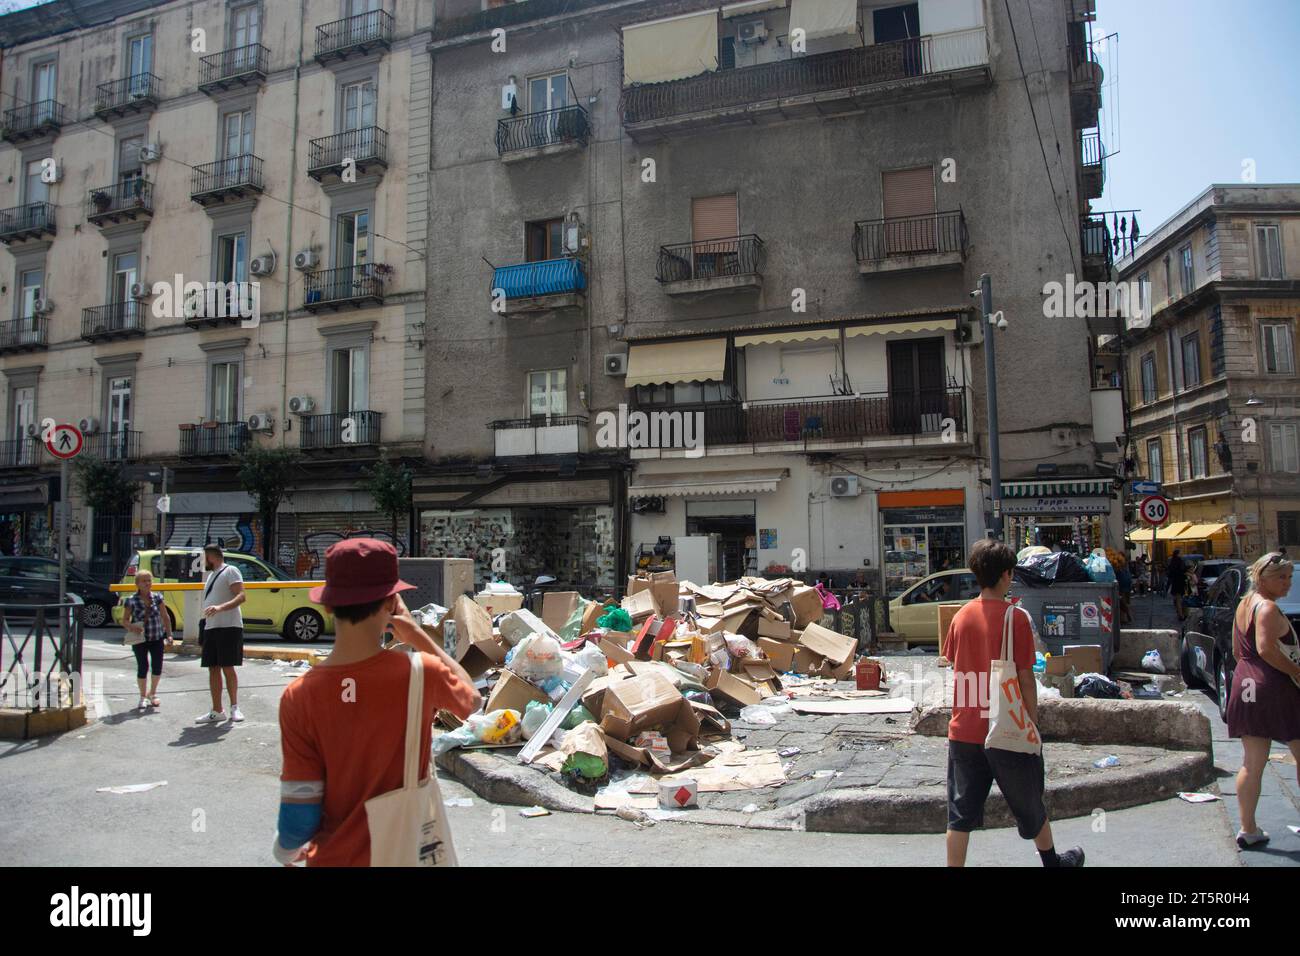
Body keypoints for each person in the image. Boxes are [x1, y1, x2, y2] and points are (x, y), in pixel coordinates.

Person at [274, 538, 480, 867]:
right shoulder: (420, 673)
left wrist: (284, 851)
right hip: (406, 854)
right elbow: (472, 700)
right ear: (390, 604)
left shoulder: (299, 696)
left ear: (328, 605)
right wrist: (416, 635)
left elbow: (300, 813)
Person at [944, 537, 1085, 868]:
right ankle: (1052, 862)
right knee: (1030, 803)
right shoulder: (1016, 618)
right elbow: (1025, 678)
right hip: (1006, 727)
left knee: (959, 813)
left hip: (964, 728)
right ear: (1007, 575)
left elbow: (955, 665)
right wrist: (1032, 722)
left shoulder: (960, 617)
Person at [1225, 552, 1300, 850]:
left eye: (1290, 577)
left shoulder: (1244, 605)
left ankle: (1248, 828)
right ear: (1262, 578)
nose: (1287, 583)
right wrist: (1296, 672)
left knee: (1252, 762)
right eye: (1281, 577)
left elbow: (1236, 651)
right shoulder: (1267, 608)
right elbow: (1266, 649)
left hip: (1244, 682)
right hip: (1273, 685)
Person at [196, 544, 246, 724]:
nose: (203, 561)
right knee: (213, 668)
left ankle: (235, 707)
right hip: (211, 627)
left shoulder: (230, 571)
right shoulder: (210, 576)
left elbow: (241, 596)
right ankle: (217, 710)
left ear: (210, 556)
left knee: (228, 667)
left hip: (229, 626)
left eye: (204, 557)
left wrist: (219, 608)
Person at [122, 569, 173, 711]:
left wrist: (169, 634)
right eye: (144, 581)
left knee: (157, 667)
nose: (147, 583)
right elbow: (124, 620)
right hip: (140, 639)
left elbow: (165, 616)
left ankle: (153, 693)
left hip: (157, 637)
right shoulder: (131, 600)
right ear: (137, 584)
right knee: (142, 667)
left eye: (149, 580)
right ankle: (142, 696)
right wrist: (132, 627)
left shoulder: (158, 598)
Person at [1166, 550, 1187, 620]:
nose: (1182, 554)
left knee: (1177, 599)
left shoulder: (1172, 562)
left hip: (1175, 582)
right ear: (1178, 554)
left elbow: (1169, 573)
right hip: (1180, 581)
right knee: (1179, 599)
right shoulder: (1180, 562)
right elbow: (1183, 571)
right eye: (1181, 553)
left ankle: (1179, 613)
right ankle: (1181, 615)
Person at [1114, 556, 1133, 625]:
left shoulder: (1119, 570)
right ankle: (1125, 618)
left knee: (1123, 603)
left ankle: (1127, 617)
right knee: (1124, 603)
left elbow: (1123, 580)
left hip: (1123, 588)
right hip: (1126, 587)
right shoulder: (1124, 569)